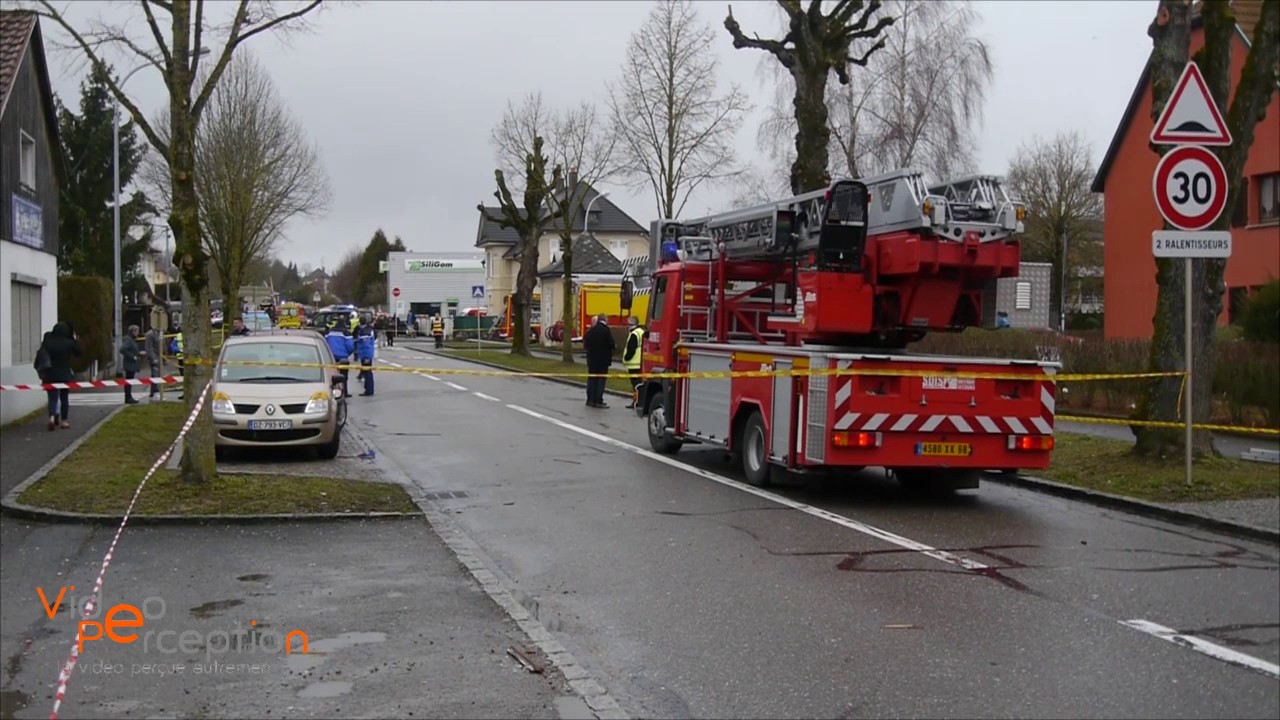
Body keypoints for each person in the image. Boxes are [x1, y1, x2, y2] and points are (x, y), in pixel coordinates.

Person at [38, 322, 81, 431]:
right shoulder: (69, 342)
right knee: (64, 397)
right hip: (64, 373)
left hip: (50, 373)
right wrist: (74, 339)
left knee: (52, 397)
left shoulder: (48, 341)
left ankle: (52, 418)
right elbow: (79, 353)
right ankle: (64, 421)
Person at [583, 314, 615, 409]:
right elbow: (611, 344)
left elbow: (586, 344)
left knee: (592, 379)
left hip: (592, 360)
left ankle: (590, 399)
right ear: (604, 319)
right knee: (601, 381)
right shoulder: (606, 330)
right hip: (603, 361)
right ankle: (598, 400)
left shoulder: (590, 331)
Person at [323, 325, 355, 395]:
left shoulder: (329, 333)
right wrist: (346, 354)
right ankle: (344, 392)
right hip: (343, 357)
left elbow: (325, 343)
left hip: (331, 357)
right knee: (344, 375)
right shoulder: (346, 333)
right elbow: (350, 347)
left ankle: (333, 392)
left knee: (331, 376)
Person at [622, 316, 645, 409]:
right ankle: (639, 401)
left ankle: (636, 401)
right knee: (639, 384)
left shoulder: (634, 334)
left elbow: (631, 348)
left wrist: (627, 357)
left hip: (634, 363)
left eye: (629, 323)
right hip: (640, 362)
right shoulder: (641, 332)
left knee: (635, 385)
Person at [120, 325, 142, 405]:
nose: (138, 333)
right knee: (129, 381)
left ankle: (129, 397)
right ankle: (128, 397)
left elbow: (132, 349)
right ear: (132, 332)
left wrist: (138, 353)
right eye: (136, 331)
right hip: (129, 364)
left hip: (132, 364)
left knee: (130, 381)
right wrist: (132, 357)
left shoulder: (132, 340)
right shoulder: (128, 340)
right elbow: (122, 349)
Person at [354, 318, 376, 396]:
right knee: (367, 372)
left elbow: (366, 346)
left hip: (366, 355)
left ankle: (369, 390)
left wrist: (366, 357)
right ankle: (368, 389)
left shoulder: (365, 333)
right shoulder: (368, 330)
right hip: (366, 354)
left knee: (367, 373)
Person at [144, 324, 162, 399]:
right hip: (154, 358)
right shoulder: (149, 334)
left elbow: (162, 345)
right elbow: (149, 348)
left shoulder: (160, 333)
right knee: (155, 374)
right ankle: (154, 391)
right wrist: (153, 358)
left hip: (160, 357)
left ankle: (155, 390)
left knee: (158, 374)